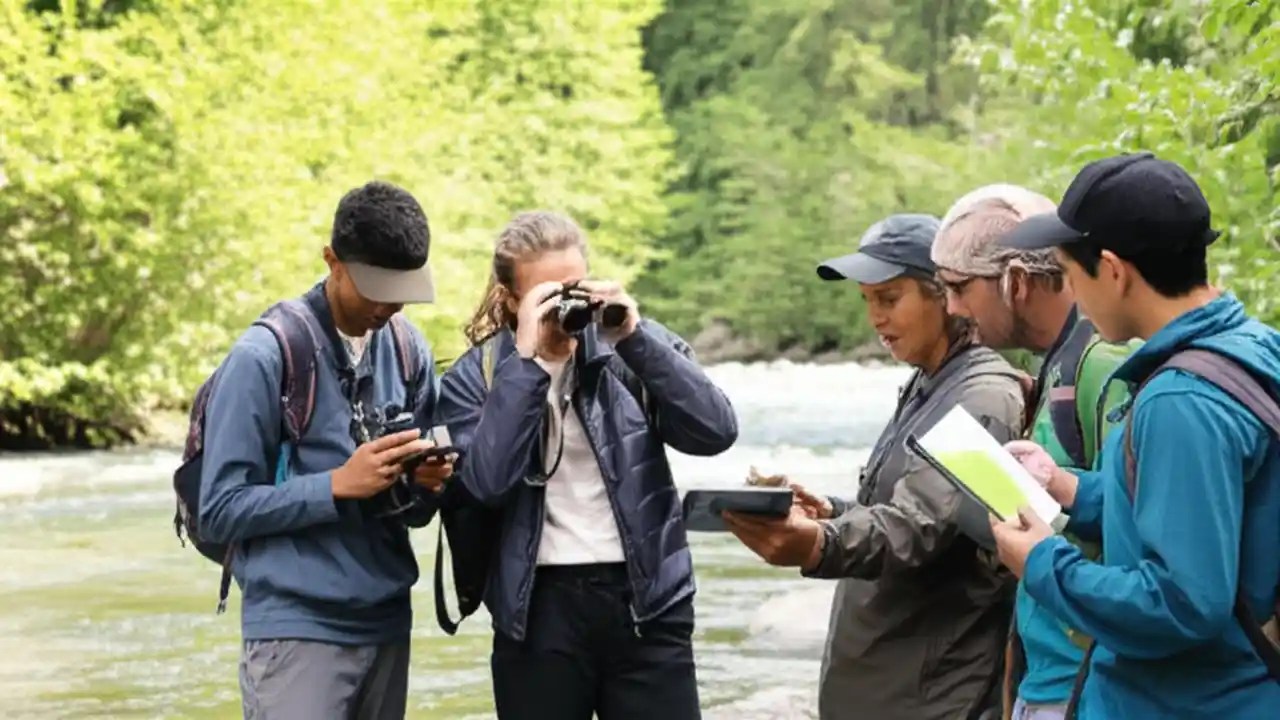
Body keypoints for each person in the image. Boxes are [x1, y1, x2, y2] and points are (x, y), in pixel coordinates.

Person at [988, 152, 1280, 718]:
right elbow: (1209, 512)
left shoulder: (1181, 399)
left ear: (1115, 271)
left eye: (1072, 275)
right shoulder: (1253, 348)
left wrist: (1042, 562)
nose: (1074, 296)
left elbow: (1183, 603)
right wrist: (1068, 488)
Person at [435, 210, 738, 720]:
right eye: (546, 295)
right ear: (512, 300)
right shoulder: (478, 377)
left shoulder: (630, 349)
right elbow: (486, 483)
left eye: (574, 287)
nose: (565, 304)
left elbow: (715, 432)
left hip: (646, 603)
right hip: (536, 610)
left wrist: (634, 338)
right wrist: (531, 366)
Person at [724, 213, 1026, 720]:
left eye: (889, 299)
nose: (875, 319)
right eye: (866, 301)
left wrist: (821, 544)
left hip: (931, 700)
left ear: (944, 295)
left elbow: (924, 526)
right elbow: (917, 504)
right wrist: (833, 512)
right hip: (889, 691)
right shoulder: (930, 380)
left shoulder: (983, 397)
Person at [199, 181, 454, 720]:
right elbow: (219, 510)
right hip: (295, 630)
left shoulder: (409, 351)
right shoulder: (264, 357)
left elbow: (416, 516)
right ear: (332, 262)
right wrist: (336, 486)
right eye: (375, 288)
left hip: (388, 622)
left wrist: (424, 486)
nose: (389, 305)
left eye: (402, 289)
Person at [931, 184, 1136, 720]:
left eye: (957, 288)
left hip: (1088, 683)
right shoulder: (1056, 366)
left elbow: (1142, 528)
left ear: (1016, 283)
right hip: (1048, 676)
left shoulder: (1104, 363)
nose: (951, 309)